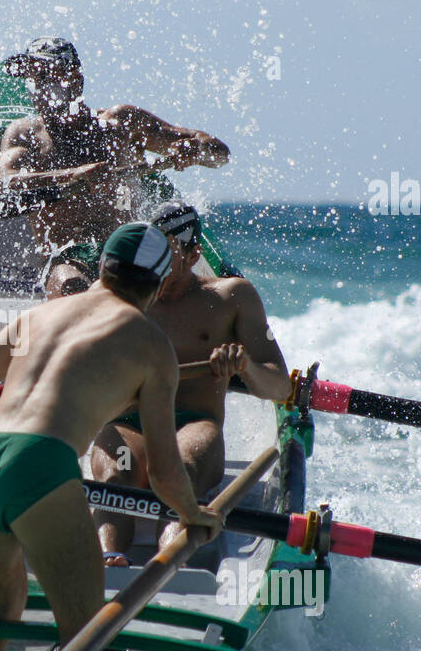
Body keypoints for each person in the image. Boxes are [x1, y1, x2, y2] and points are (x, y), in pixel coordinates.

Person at [0, 223, 223, 651]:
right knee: (85, 637)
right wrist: (194, 514)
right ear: (161, 281)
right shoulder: (151, 344)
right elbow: (165, 471)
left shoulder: (38, 315)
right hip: (39, 461)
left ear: (103, 268)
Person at [90, 202, 292, 566]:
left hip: (192, 422)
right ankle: (109, 558)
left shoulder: (233, 297)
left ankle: (167, 562)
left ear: (194, 253)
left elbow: (280, 386)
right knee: (117, 476)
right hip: (128, 423)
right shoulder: (117, 290)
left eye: (166, 256)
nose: (153, 269)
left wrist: (244, 366)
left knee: (179, 473)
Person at [0, 37, 230, 298]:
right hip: (67, 258)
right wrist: (74, 174)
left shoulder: (121, 122)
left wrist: (194, 149)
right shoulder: (26, 133)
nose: (38, 87)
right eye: (33, 79)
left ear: (75, 80)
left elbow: (220, 154)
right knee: (71, 286)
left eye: (46, 76)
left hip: (129, 254)